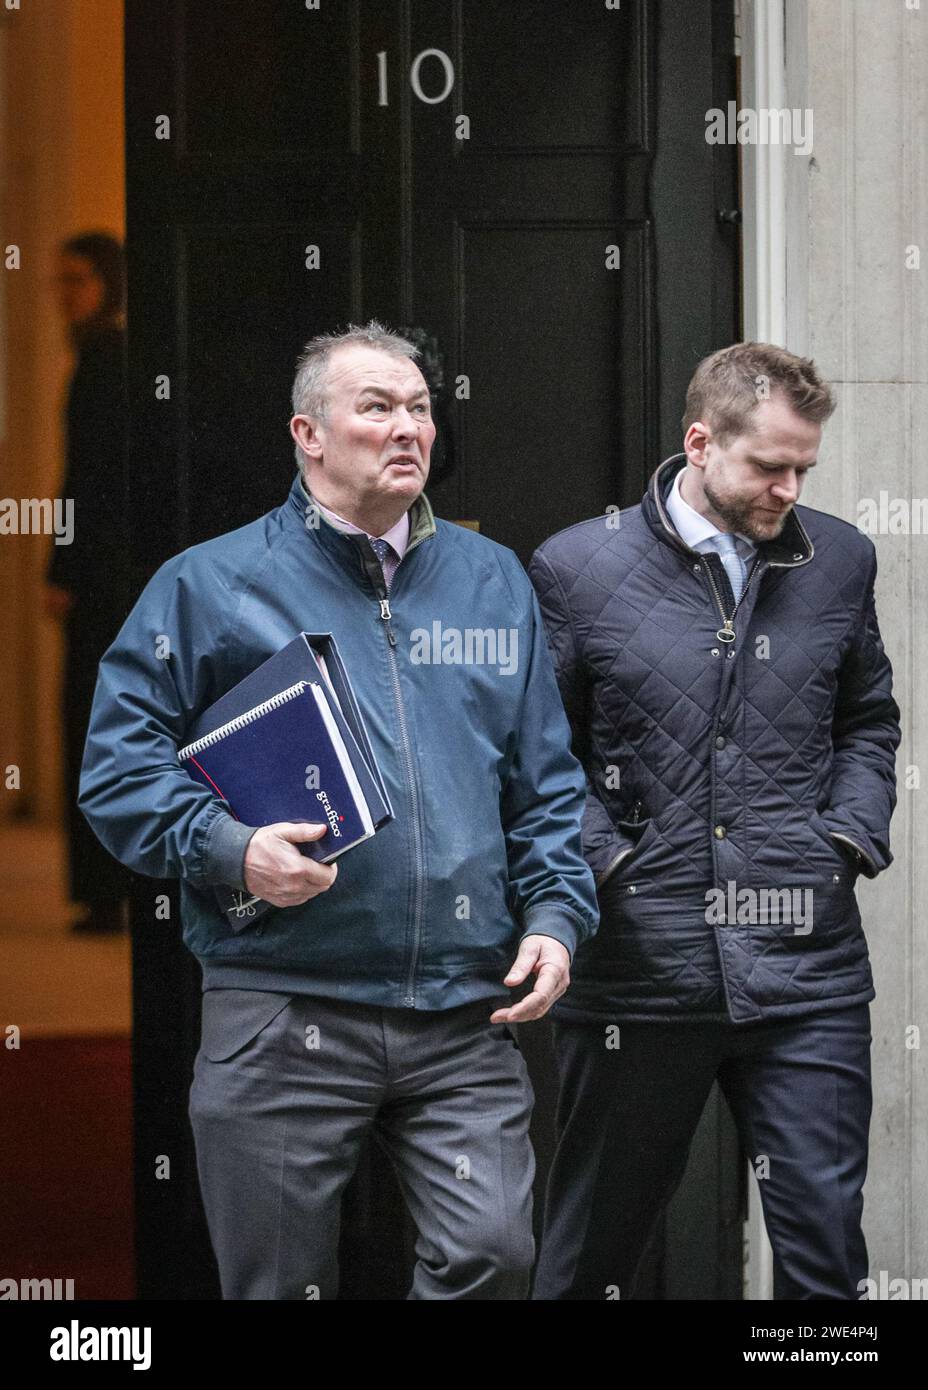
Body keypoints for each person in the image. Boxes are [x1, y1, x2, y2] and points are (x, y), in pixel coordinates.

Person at [78, 321, 599, 1299]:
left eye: (419, 408)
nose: (407, 427)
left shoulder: (493, 585)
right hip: (283, 1007)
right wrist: (231, 849)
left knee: (496, 1254)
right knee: (276, 1285)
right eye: (376, 408)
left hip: (462, 1011)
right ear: (307, 434)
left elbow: (545, 784)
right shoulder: (207, 586)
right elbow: (115, 775)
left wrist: (557, 917)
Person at [528, 342, 900, 1301]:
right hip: (641, 973)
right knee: (588, 1258)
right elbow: (535, 751)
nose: (788, 487)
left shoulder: (841, 559)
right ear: (700, 443)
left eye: (803, 469)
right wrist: (609, 863)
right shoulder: (576, 566)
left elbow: (867, 717)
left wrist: (846, 840)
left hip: (805, 967)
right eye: (768, 466)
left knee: (826, 1261)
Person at [45, 232, 131, 934]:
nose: (65, 294)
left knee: (90, 718)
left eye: (77, 279)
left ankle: (103, 890)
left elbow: (85, 483)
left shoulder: (101, 361)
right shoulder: (110, 357)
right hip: (117, 572)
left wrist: (61, 567)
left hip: (101, 577)